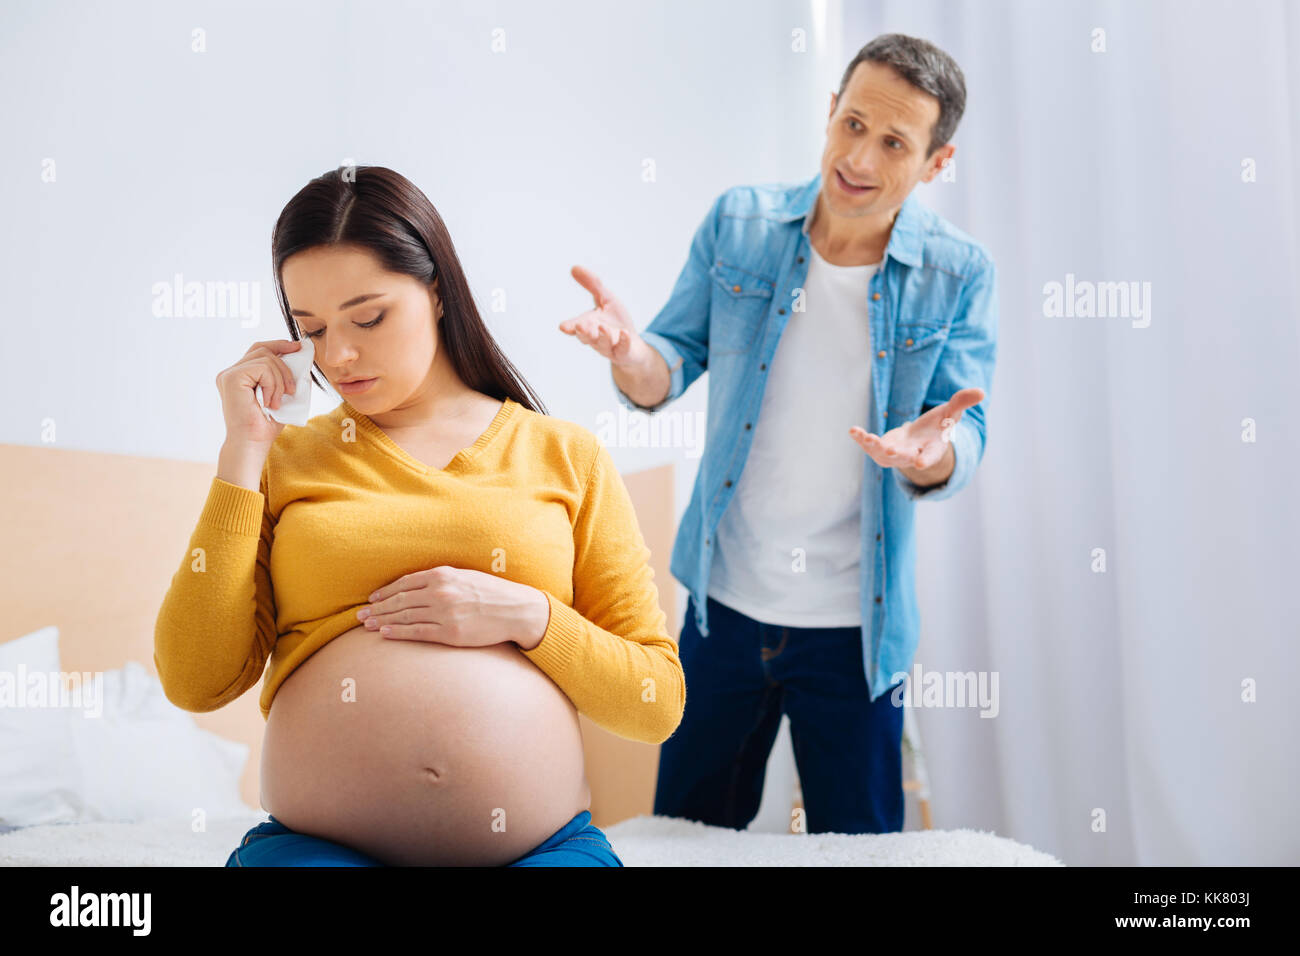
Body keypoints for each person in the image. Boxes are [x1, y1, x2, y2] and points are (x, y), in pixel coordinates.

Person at [155, 165, 684, 867]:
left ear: (437, 291)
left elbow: (654, 703)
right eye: (309, 329)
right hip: (318, 850)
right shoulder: (284, 461)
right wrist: (242, 454)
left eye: (368, 317)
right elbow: (196, 680)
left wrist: (532, 618)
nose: (336, 356)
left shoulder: (565, 455)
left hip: (537, 849)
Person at [560, 33, 998, 835]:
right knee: (685, 839)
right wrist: (628, 352)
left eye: (895, 142)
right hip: (722, 605)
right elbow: (664, 366)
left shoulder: (959, 272)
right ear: (831, 111)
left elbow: (962, 428)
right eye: (853, 123)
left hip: (856, 631)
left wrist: (931, 455)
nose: (859, 156)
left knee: (861, 851)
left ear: (936, 163)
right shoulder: (742, 223)